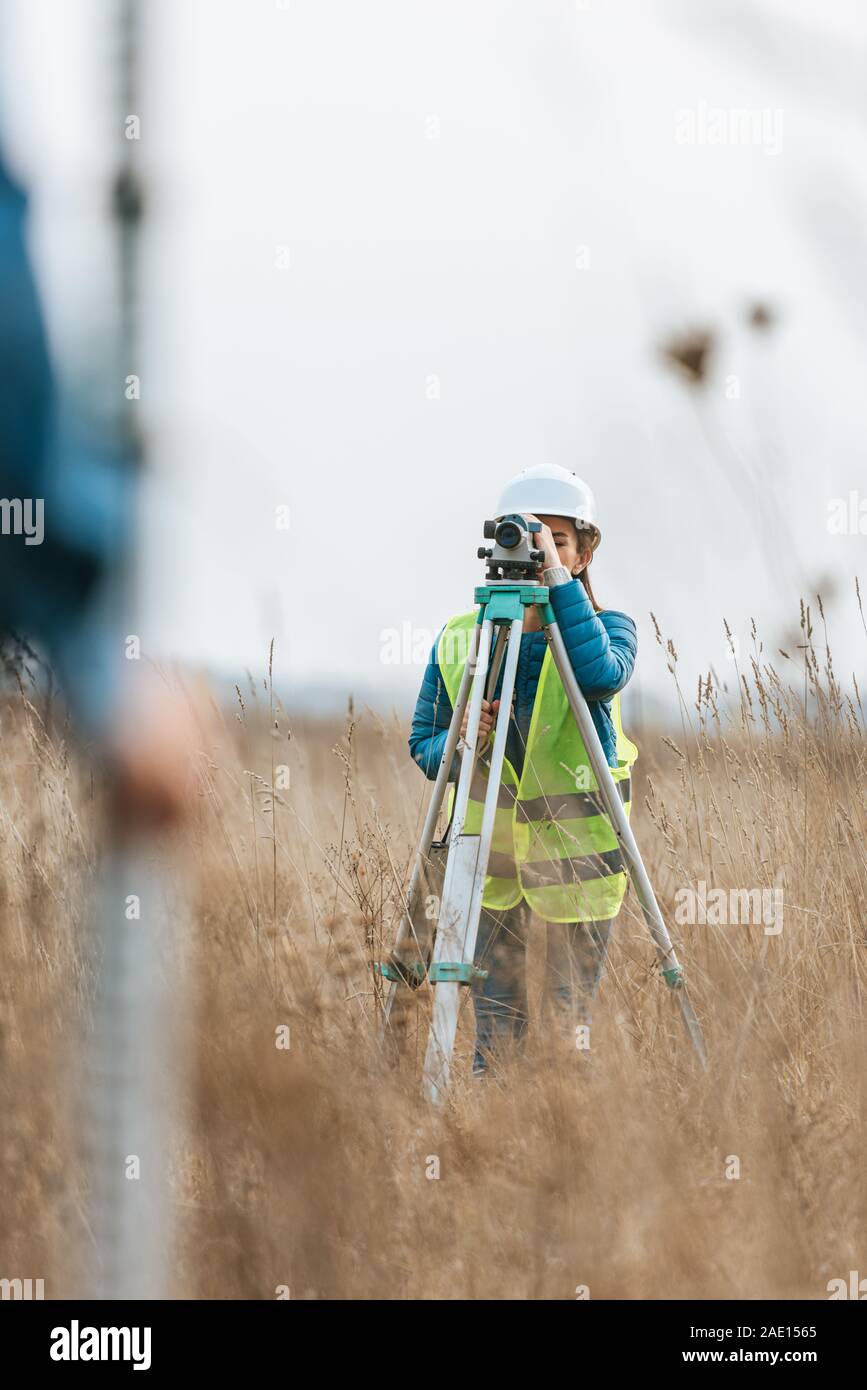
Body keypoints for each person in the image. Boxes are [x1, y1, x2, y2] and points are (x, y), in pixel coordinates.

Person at [409, 464, 638, 1071]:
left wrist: (556, 583)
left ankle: (562, 1148)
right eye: (529, 538)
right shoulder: (463, 638)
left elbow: (598, 675)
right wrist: (458, 741)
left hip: (579, 861)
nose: (539, 552)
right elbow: (423, 747)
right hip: (490, 860)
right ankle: (488, 1142)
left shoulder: (610, 629)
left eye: (557, 541)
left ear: (585, 553)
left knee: (569, 1033)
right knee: (497, 1033)